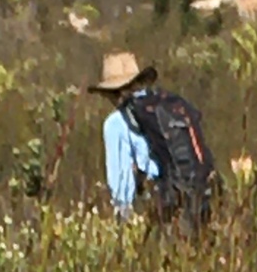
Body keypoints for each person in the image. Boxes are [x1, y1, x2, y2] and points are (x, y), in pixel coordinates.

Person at [90, 52, 219, 230]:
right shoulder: (170, 105)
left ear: (110, 92)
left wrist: (123, 230)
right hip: (200, 199)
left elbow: (121, 188)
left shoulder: (116, 123)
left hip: (163, 208)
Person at [91, 52, 159, 218]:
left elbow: (121, 187)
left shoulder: (115, 124)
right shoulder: (164, 108)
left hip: (153, 209)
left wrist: (124, 224)